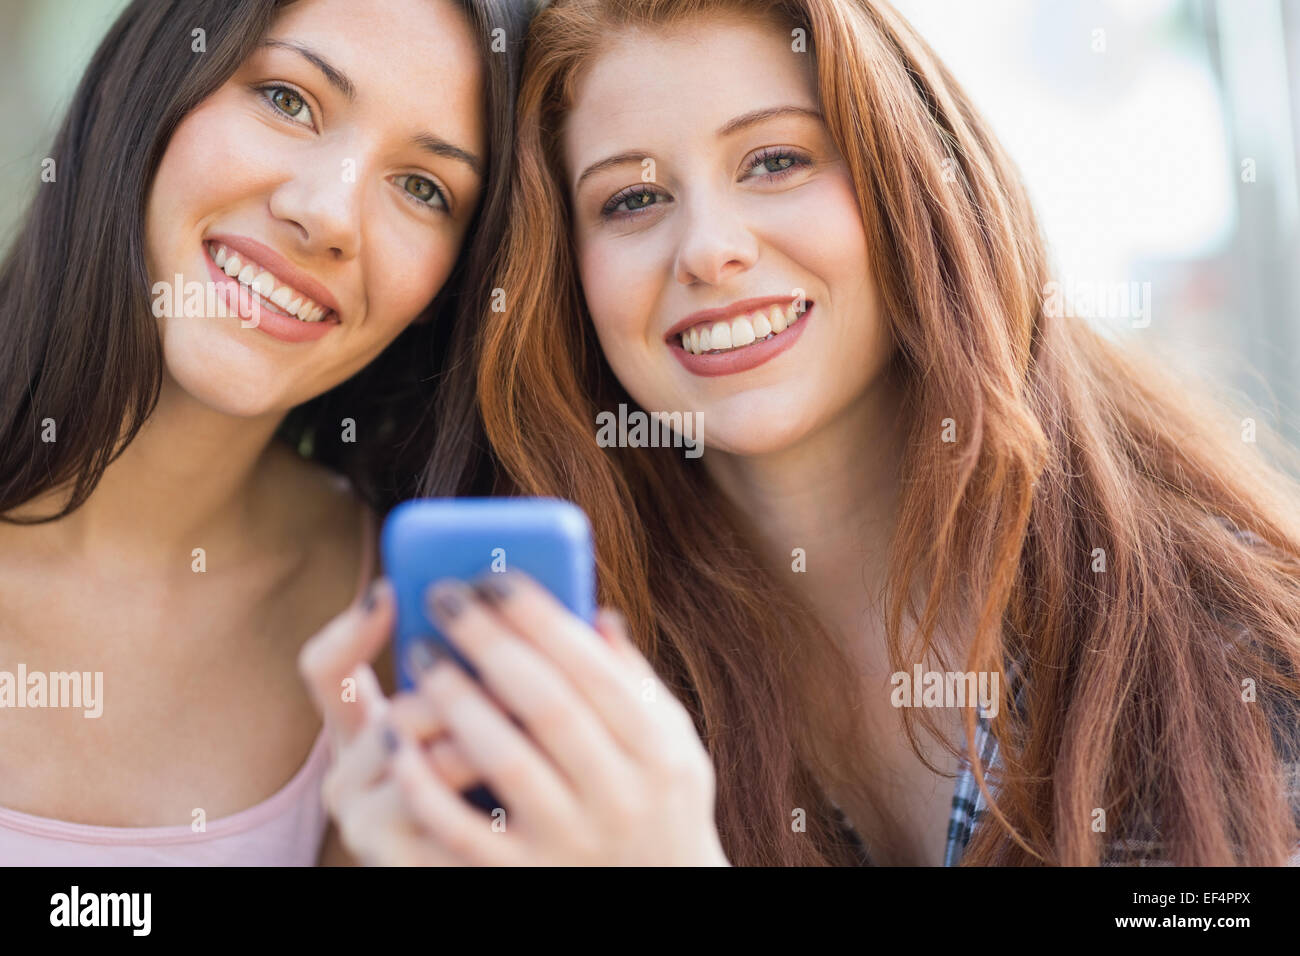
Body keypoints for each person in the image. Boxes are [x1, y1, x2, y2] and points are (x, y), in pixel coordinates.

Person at [305, 0, 1300, 866]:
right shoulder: (575, 691)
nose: (709, 249)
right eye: (632, 198)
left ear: (913, 181)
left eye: (774, 160)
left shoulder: (1240, 637)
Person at [0, 0, 527, 865]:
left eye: (423, 187)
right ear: (153, 81)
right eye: (289, 99)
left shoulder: (412, 643)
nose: (327, 214)